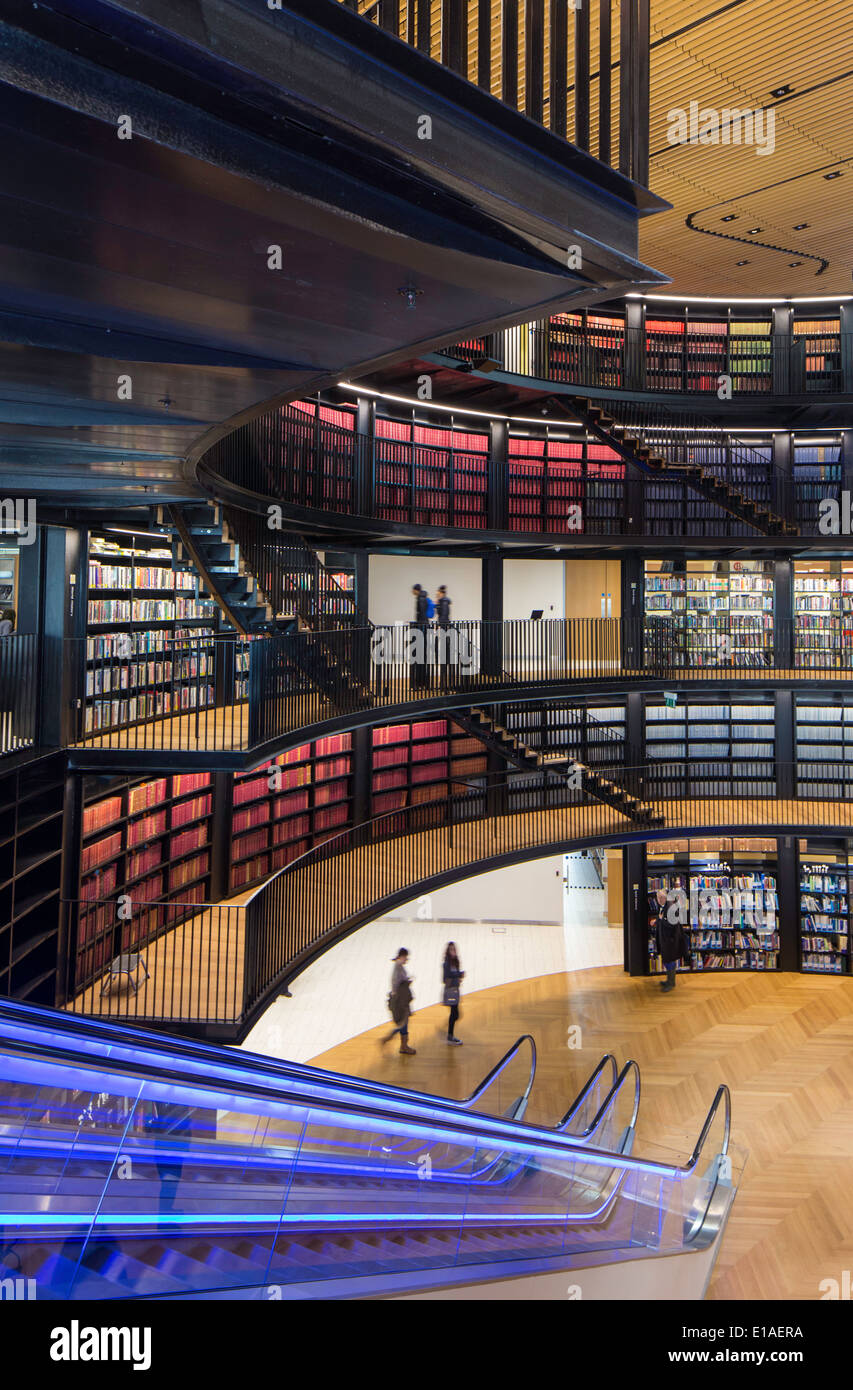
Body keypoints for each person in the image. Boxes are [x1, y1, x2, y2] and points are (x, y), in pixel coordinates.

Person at [653, 887, 689, 992]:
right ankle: (668, 980)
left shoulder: (671, 908)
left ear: (666, 898)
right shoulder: (663, 907)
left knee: (670, 960)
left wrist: (660, 920)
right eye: (658, 898)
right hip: (665, 939)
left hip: (671, 940)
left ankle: (671, 983)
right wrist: (657, 921)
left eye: (662, 897)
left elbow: (672, 924)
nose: (660, 900)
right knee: (666, 959)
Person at [382, 948, 416, 1054]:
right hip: (400, 1002)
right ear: (402, 956)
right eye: (406, 957)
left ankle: (403, 1046)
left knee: (404, 1023)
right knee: (403, 1023)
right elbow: (396, 985)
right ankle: (390, 1040)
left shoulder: (398, 966)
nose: (407, 959)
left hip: (401, 1000)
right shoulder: (398, 968)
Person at [442, 942, 464, 1045]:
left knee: (455, 1014)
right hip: (451, 992)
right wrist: (458, 975)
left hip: (455, 991)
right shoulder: (446, 964)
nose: (453, 951)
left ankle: (450, 1035)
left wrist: (458, 978)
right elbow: (446, 978)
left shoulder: (455, 962)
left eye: (454, 949)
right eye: (451, 950)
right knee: (454, 1014)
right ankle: (450, 1036)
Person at [411, 585, 429, 689]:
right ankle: (422, 682)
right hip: (423, 627)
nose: (412, 591)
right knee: (421, 657)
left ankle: (420, 683)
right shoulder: (423, 598)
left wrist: (419, 625)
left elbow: (421, 613)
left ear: (416, 590)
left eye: (413, 590)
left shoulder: (420, 599)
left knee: (420, 657)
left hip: (421, 628)